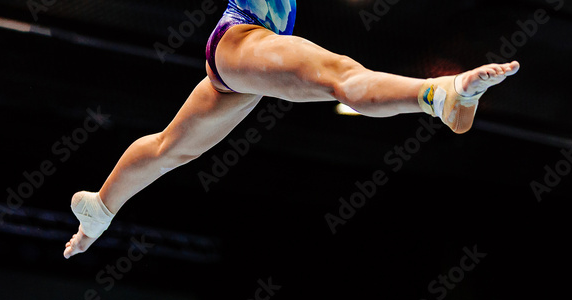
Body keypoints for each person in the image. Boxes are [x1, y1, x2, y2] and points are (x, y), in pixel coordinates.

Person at [64, 0, 519, 258]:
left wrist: (94, 226)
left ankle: (99, 213)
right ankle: (441, 94)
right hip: (244, 38)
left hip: (240, 52)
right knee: (341, 76)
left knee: (172, 149)